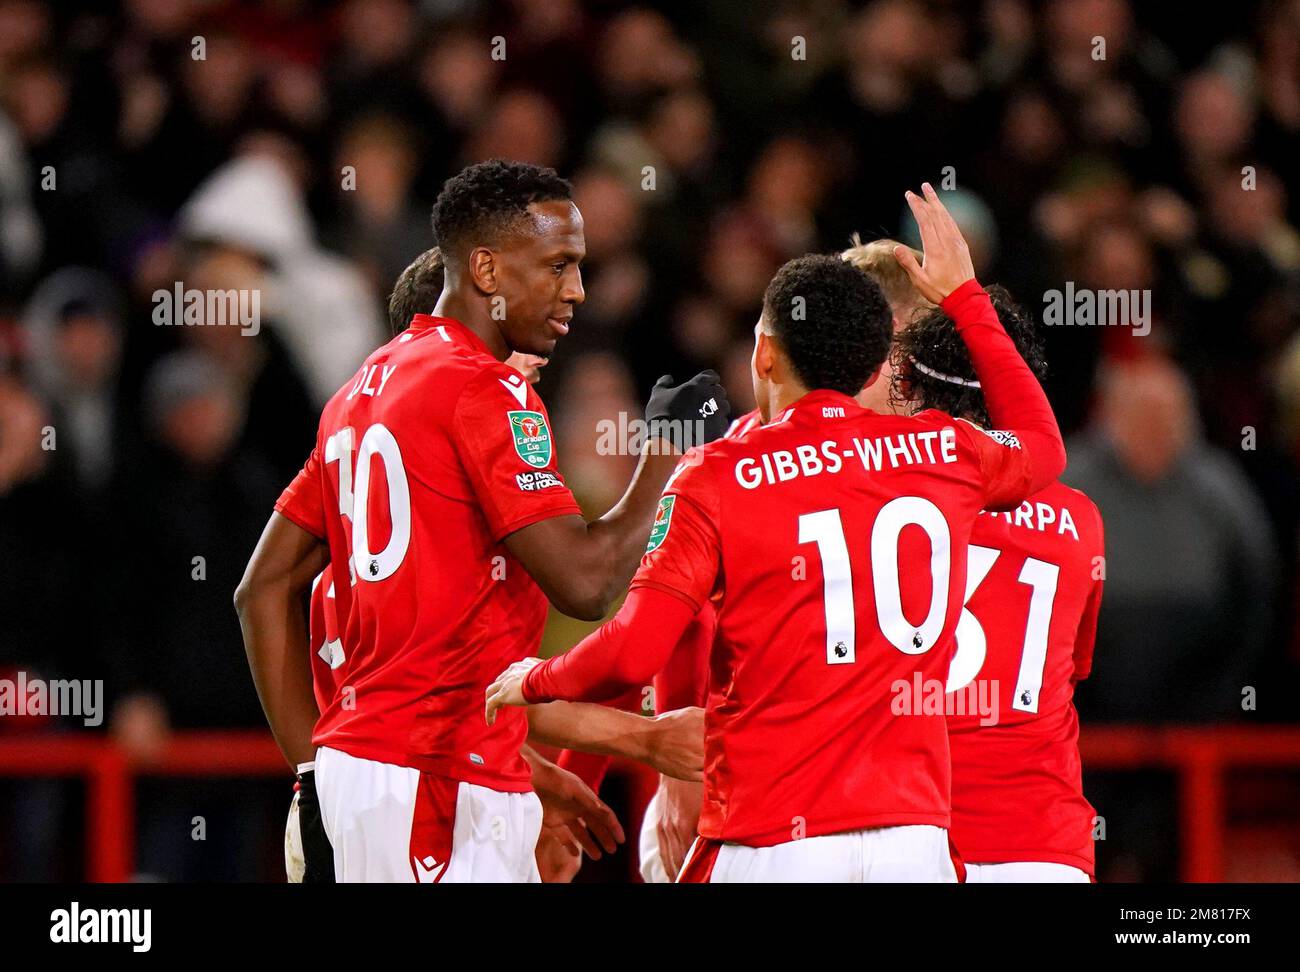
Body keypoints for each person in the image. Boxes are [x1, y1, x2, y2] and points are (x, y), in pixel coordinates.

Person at [487, 184, 1067, 882]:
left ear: (767, 353)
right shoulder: (948, 457)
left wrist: (542, 691)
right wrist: (659, 769)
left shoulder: (727, 469)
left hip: (790, 832)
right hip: (902, 835)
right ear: (884, 355)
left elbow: (636, 641)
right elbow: (1043, 447)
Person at [237, 159, 729, 883]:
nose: (577, 290)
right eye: (558, 265)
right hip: (432, 782)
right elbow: (588, 585)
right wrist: (667, 454)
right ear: (488, 270)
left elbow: (261, 589)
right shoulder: (483, 388)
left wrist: (317, 769)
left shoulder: (362, 390)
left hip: (394, 769)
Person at [891, 286, 1103, 882]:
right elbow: (1075, 666)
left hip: (911, 837)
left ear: (909, 380)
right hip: (1045, 845)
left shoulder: (882, 501)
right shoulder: (1081, 517)